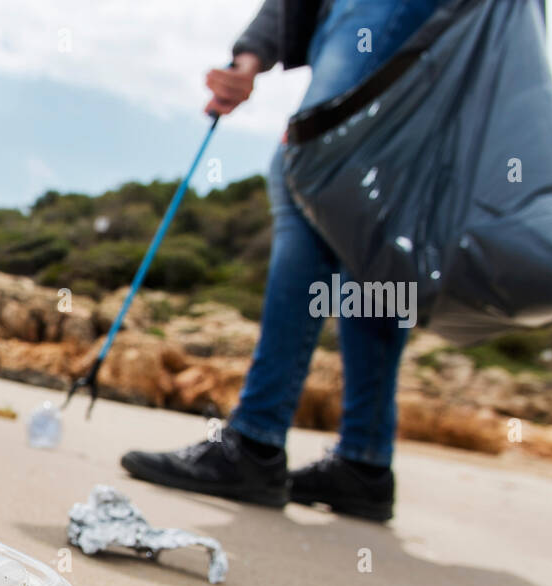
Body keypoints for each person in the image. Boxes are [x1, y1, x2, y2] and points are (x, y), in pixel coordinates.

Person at [120, 0, 444, 522]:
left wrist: (252, 57)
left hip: (382, 19)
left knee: (309, 177)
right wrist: (251, 56)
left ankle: (256, 442)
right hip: (437, 60)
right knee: (378, 241)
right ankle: (364, 463)